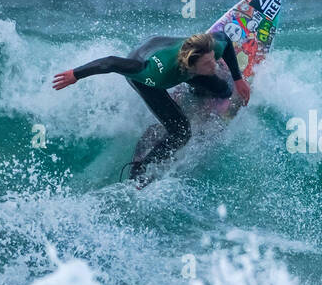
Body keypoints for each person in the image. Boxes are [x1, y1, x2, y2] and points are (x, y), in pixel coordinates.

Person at [53, 32, 251, 179]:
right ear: (191, 65)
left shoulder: (211, 47)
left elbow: (224, 39)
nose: (214, 65)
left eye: (212, 60)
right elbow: (111, 63)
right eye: (208, 64)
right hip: (145, 77)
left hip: (161, 45)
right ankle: (142, 167)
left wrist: (238, 79)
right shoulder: (154, 73)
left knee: (225, 90)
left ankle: (193, 91)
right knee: (181, 132)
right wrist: (75, 75)